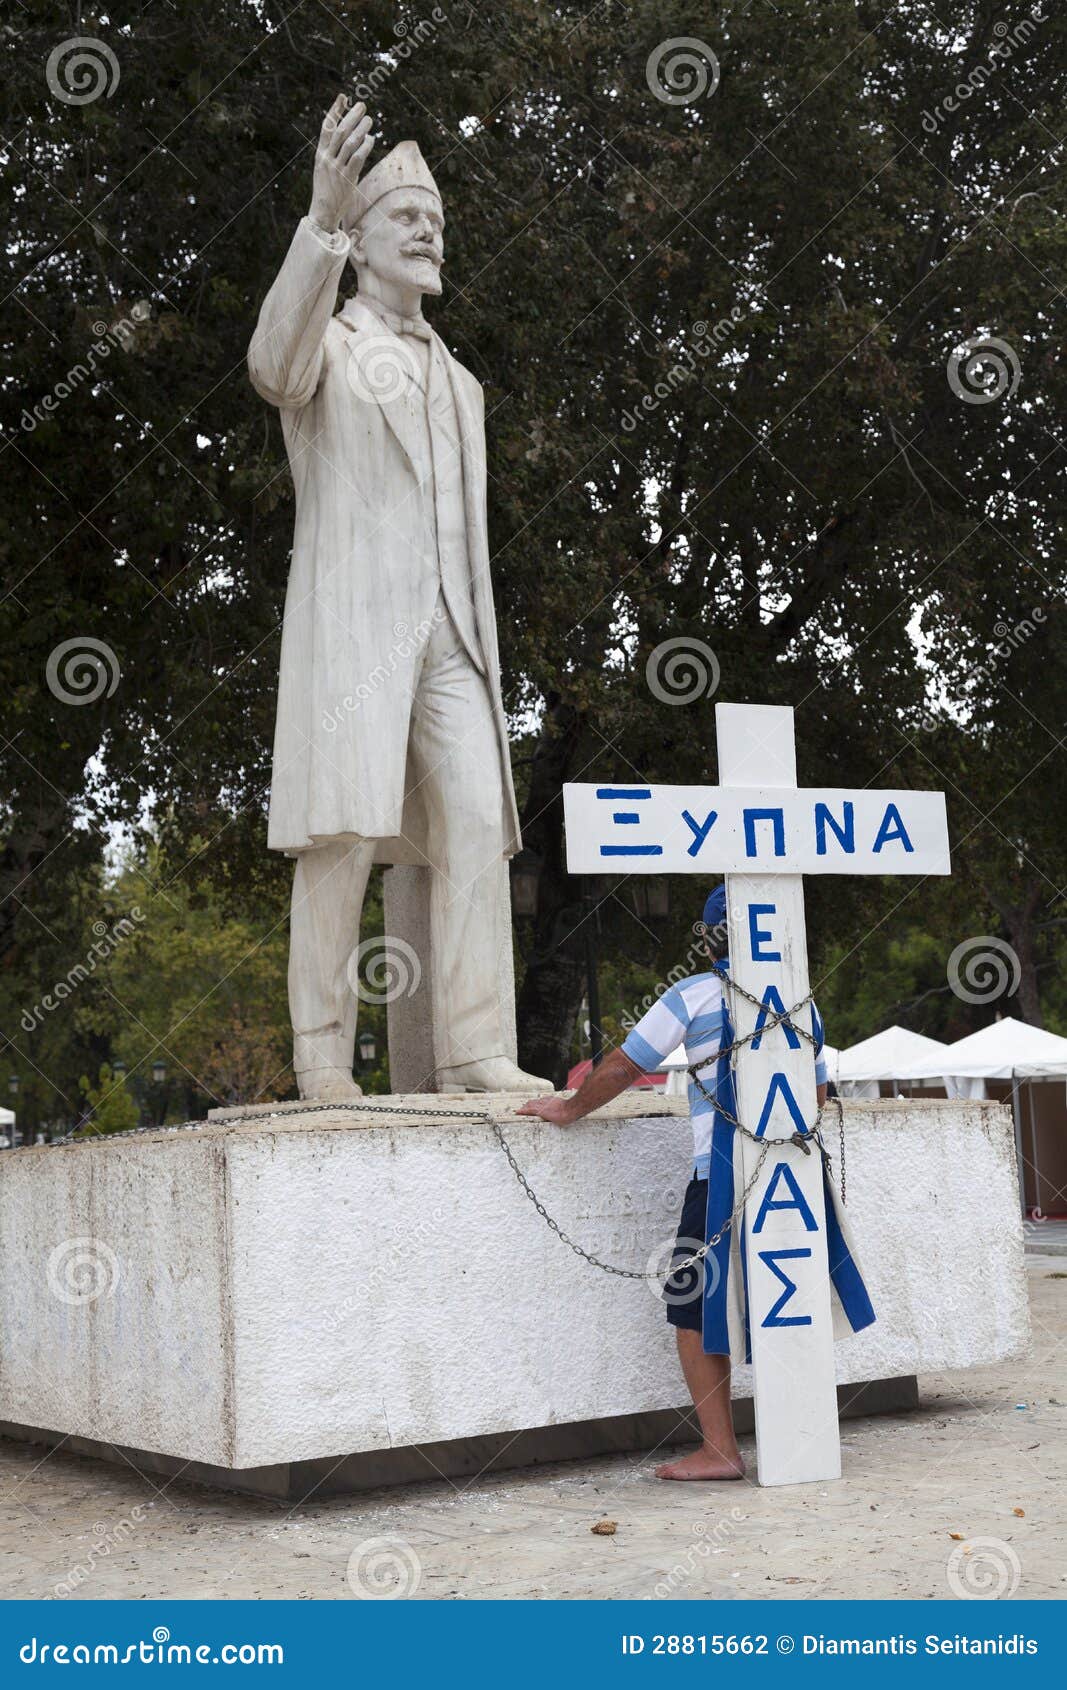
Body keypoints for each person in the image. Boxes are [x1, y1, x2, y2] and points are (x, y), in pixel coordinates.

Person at [247, 96, 548, 1099]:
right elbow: (269, 365)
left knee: (473, 821)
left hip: (453, 637)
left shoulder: (460, 384)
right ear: (362, 242)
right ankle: (322, 1054)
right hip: (355, 634)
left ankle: (473, 1048)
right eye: (406, 219)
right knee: (339, 833)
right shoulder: (326, 344)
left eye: (437, 222)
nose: (429, 232)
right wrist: (321, 224)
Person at [519, 883, 829, 1482]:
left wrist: (568, 1109)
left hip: (718, 1180)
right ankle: (801, 1439)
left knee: (692, 1304)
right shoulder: (803, 1004)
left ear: (712, 936)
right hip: (790, 1181)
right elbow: (816, 1097)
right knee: (782, 1298)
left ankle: (720, 1449)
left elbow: (625, 1064)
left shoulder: (694, 994)